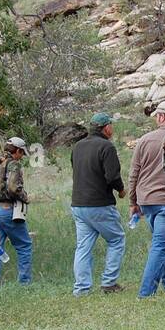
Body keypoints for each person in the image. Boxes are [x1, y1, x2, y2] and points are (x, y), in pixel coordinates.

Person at [71, 111, 126, 295]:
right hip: (99, 203)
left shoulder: (78, 146)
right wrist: (121, 189)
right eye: (111, 125)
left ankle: (81, 288)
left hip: (78, 204)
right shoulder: (106, 147)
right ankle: (109, 283)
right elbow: (112, 176)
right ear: (106, 128)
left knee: (83, 247)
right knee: (117, 239)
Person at [128, 100, 165, 298]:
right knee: (161, 245)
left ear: (160, 117)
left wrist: (132, 202)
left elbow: (134, 173)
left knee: (162, 243)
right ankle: (146, 293)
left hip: (146, 201)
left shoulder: (145, 140)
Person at [0, 136, 33, 288]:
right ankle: (25, 282)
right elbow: (13, 188)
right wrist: (25, 197)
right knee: (24, 245)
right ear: (17, 150)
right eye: (22, 153)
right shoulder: (13, 164)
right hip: (7, 210)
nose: (22, 156)